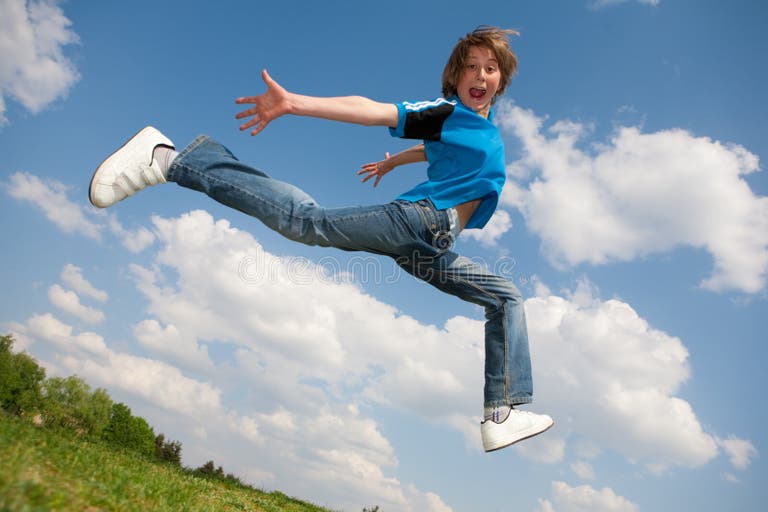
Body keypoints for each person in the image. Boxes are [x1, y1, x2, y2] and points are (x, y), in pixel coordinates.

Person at [88, 26, 553, 452]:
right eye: (470, 67)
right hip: (417, 222)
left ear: (501, 81)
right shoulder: (448, 111)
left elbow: (434, 147)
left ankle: (500, 412)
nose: (479, 75)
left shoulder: (477, 129)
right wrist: (296, 102)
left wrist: (395, 163)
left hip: (431, 247)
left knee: (505, 297)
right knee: (305, 221)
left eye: (489, 68)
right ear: (455, 77)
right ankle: (171, 159)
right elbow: (373, 109)